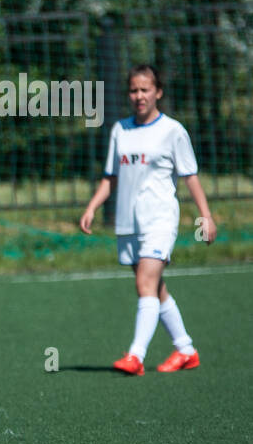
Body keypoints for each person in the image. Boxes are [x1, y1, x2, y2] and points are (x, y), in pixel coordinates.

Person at [78, 65, 216, 375]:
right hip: (129, 223)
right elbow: (110, 177)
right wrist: (92, 207)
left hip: (160, 220)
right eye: (134, 90)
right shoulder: (120, 129)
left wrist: (205, 216)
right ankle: (186, 349)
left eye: (145, 90)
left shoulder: (173, 131)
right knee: (154, 287)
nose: (139, 96)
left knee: (145, 283)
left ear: (158, 92)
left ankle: (135, 356)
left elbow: (190, 176)